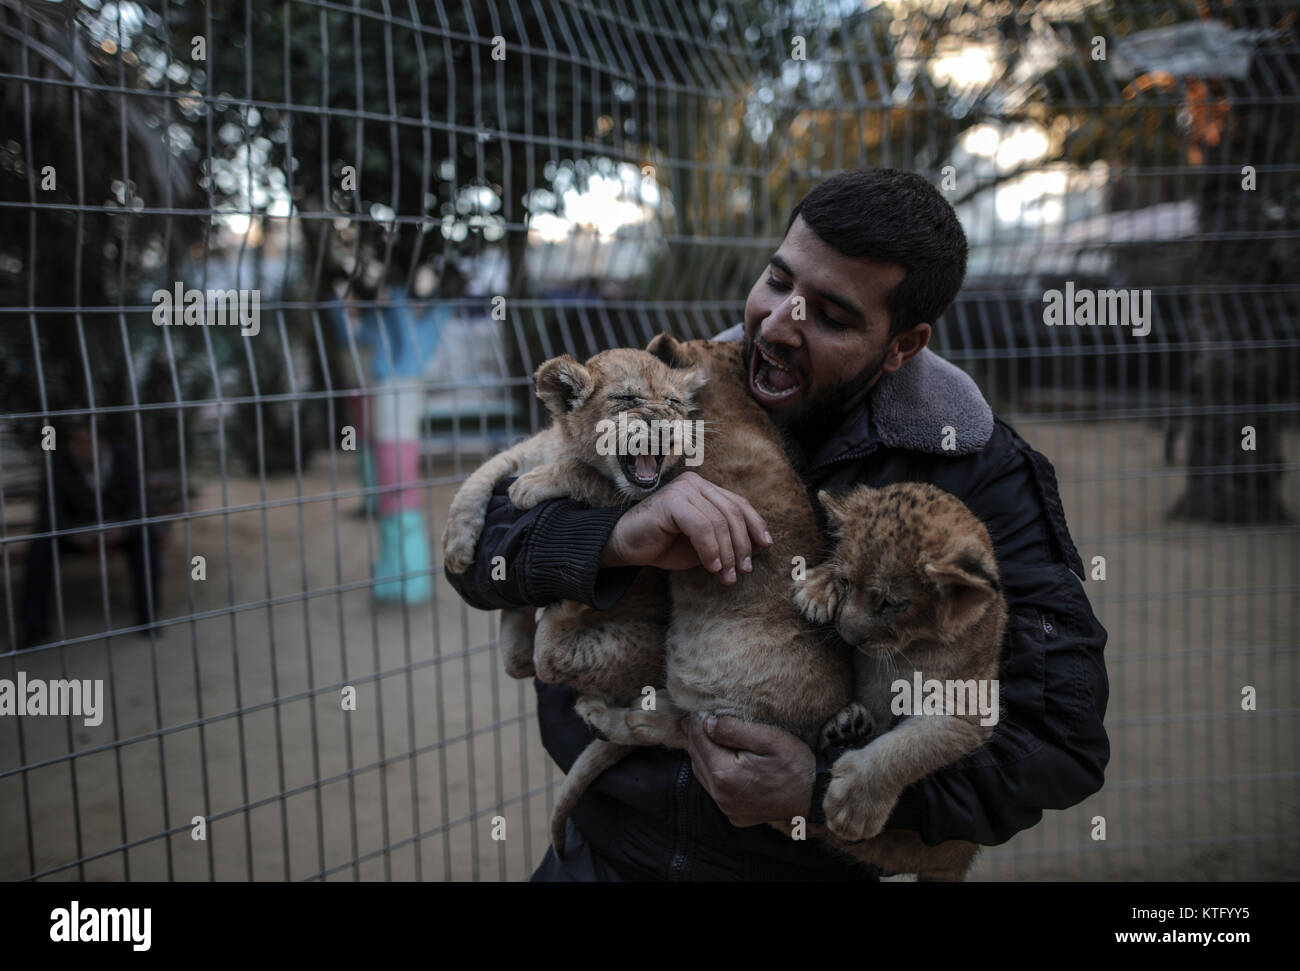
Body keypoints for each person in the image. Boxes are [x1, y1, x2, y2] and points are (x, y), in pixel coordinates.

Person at [445, 168, 1110, 881]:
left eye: (831, 316)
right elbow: (481, 555)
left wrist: (823, 788)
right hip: (603, 850)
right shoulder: (676, 384)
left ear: (902, 345)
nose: (780, 323)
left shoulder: (976, 473)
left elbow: (1059, 741)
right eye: (778, 279)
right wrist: (609, 539)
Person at [21, 423, 160, 647]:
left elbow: (142, 502)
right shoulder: (58, 464)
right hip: (74, 533)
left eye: (83, 441)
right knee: (39, 547)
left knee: (147, 538)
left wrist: (124, 527)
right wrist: (70, 531)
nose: (77, 448)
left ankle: (148, 617)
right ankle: (34, 627)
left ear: (101, 442)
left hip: (117, 530)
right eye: (73, 442)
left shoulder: (124, 460)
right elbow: (48, 510)